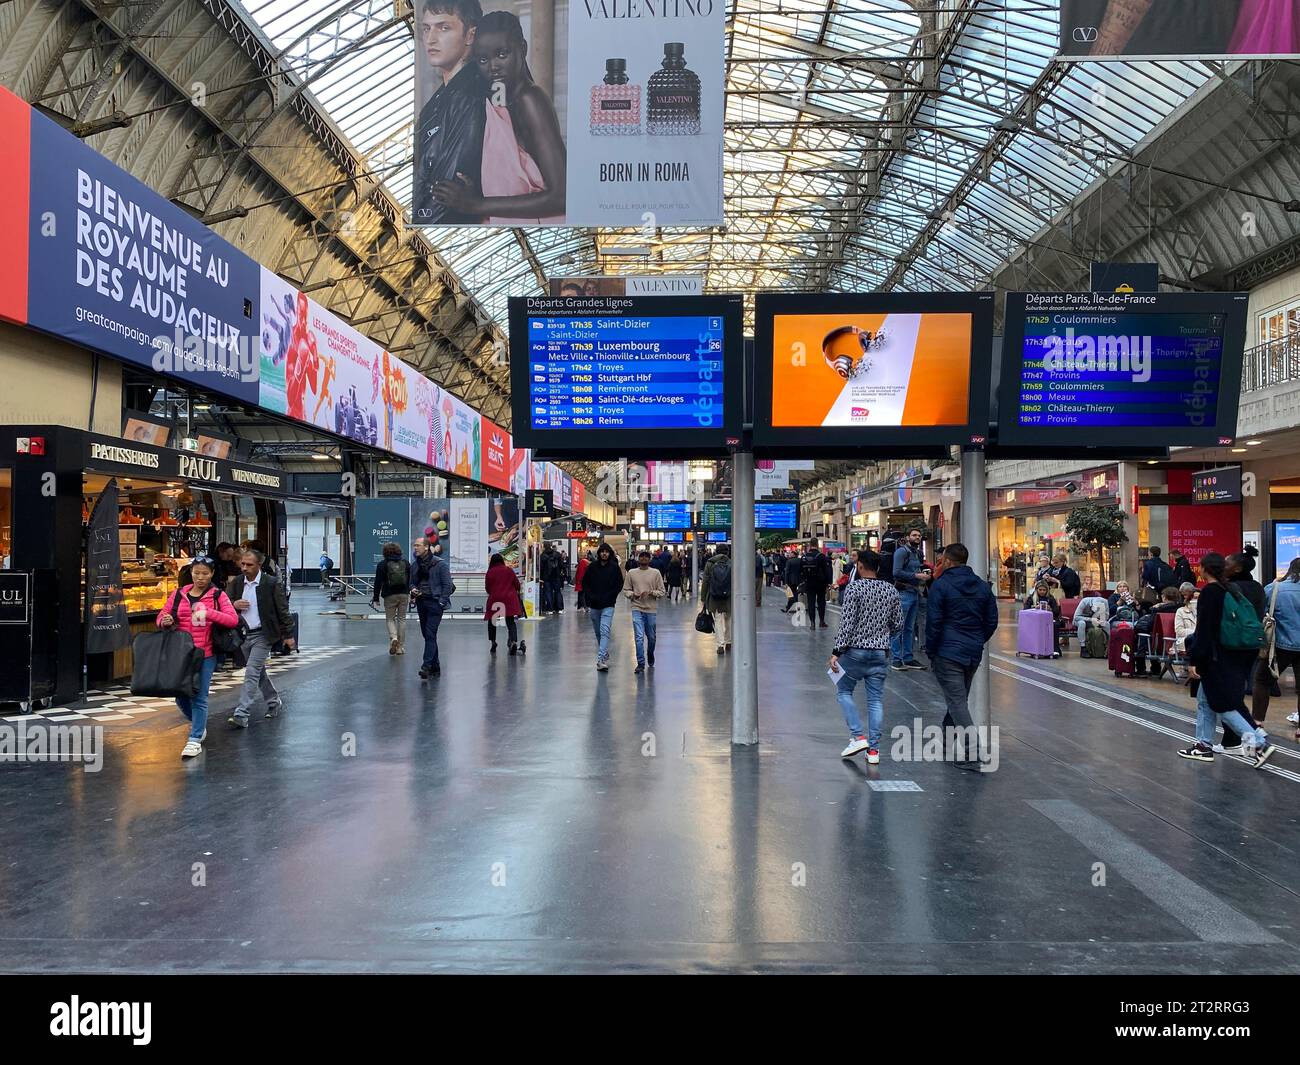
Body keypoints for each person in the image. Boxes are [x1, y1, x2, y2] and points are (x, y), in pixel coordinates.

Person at [431, 8, 566, 224]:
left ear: (522, 48)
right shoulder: (500, 104)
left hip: (545, 225)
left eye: (502, 54)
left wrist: (475, 204)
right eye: (483, 60)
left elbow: (561, 196)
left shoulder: (530, 99)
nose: (493, 67)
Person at [1178, 552, 1275, 767]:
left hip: (1216, 656)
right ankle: (1203, 745)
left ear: (1204, 569)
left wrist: (1195, 660)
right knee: (1206, 699)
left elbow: (1204, 630)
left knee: (1222, 704)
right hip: (1237, 653)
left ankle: (1259, 743)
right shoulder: (1231, 589)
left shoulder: (1211, 592)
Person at [412, 0, 487, 225]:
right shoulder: (442, 97)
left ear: (470, 35)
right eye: (427, 28)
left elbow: (449, 188)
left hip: (444, 216)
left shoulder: (468, 94)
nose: (431, 39)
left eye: (444, 28)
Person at [925, 543, 999, 770]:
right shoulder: (982, 586)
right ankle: (947, 743)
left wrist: (931, 649)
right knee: (958, 699)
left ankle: (972, 751)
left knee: (956, 700)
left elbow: (934, 622)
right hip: (971, 651)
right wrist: (977, 639)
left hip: (947, 651)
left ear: (947, 561)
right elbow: (991, 621)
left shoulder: (941, 585)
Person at [156, 555, 239, 759]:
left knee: (199, 696)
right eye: (196, 573)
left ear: (211, 574)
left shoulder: (218, 595)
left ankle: (194, 739)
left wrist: (209, 612)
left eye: (204, 573)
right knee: (180, 695)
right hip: (181, 653)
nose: (200, 577)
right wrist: (164, 621)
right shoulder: (178, 594)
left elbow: (232, 620)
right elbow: (161, 616)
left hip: (205, 654)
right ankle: (199, 725)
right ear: (191, 573)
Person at [828, 549, 903, 763]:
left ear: (860, 566)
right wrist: (884, 639)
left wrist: (836, 652)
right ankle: (874, 751)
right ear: (877, 567)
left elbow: (847, 622)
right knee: (875, 700)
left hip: (854, 652)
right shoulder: (891, 590)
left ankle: (857, 736)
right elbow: (898, 624)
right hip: (880, 653)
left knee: (843, 691)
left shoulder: (854, 588)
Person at [227, 549, 294, 728]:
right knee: (258, 672)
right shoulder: (237, 583)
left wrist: (288, 635)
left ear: (259, 565)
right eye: (242, 564)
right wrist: (234, 604)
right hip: (242, 634)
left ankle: (241, 713)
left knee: (251, 672)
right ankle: (273, 701)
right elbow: (225, 603)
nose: (244, 568)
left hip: (263, 634)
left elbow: (282, 609)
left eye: (249, 565)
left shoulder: (270, 583)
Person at [1255, 557, 1300, 727]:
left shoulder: (1274, 588)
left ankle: (1258, 722)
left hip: (1279, 645)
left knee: (1262, 681)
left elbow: (1263, 612)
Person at [411, 535, 453, 679]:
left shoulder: (440, 564)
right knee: (428, 635)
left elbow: (447, 585)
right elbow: (411, 582)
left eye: (418, 545)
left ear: (427, 547)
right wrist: (413, 589)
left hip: (435, 603)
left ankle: (426, 666)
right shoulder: (415, 565)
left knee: (429, 634)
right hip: (421, 602)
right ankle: (435, 666)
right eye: (414, 545)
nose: (415, 548)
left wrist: (441, 602)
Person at [890, 527, 929, 668]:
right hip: (903, 593)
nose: (917, 537)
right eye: (914, 535)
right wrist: (915, 576)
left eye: (919, 535)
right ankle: (896, 658)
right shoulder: (901, 552)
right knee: (898, 627)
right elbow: (896, 572)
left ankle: (907, 657)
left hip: (915, 592)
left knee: (910, 628)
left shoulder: (918, 553)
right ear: (908, 537)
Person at [623, 550, 666, 674]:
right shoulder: (631, 573)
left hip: (651, 609)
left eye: (646, 557)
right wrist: (633, 595)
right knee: (639, 637)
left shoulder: (655, 573)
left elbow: (662, 591)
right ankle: (640, 663)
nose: (643, 559)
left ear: (650, 559)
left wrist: (652, 592)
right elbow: (626, 590)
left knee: (651, 637)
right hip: (636, 607)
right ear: (638, 559)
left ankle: (650, 653)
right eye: (641, 556)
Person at [583, 542, 623, 671]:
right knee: (598, 632)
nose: (604, 554)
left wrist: (611, 597)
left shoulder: (614, 568)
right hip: (594, 605)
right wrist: (590, 597)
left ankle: (600, 659)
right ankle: (604, 652)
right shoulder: (592, 567)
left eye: (606, 551)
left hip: (608, 605)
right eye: (602, 551)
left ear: (609, 553)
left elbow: (618, 584)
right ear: (599, 553)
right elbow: (585, 583)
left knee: (605, 630)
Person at [371, 542, 411, 656]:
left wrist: (376, 597)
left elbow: (377, 582)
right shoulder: (406, 563)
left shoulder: (382, 564)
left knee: (390, 619)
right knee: (402, 619)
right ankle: (400, 647)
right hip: (403, 594)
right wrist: (410, 594)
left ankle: (393, 638)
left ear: (385, 552)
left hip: (389, 595)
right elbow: (410, 580)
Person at [1133, 586, 1181, 677]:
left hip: (1159, 643)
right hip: (1175, 641)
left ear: (1164, 597)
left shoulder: (1159, 611)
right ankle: (1155, 669)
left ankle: (1141, 669)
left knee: (1144, 636)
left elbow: (1148, 625)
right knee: (1153, 637)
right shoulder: (1181, 609)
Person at [484, 552, 525, 655]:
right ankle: (513, 641)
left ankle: (493, 642)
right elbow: (517, 585)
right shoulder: (509, 570)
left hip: (495, 600)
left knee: (493, 622)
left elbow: (488, 588)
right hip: (509, 599)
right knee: (510, 621)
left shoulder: (490, 572)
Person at [701, 544, 733, 654]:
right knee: (729, 619)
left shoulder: (710, 563)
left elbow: (705, 581)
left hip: (714, 595)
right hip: (729, 595)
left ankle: (720, 644)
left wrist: (703, 597)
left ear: (716, 552)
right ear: (727, 552)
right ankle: (729, 642)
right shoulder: (731, 563)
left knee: (718, 619)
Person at [1023, 579, 1064, 657]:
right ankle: (1036, 649)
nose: (1042, 592)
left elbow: (1057, 611)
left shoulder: (1050, 598)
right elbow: (1026, 610)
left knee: (1055, 626)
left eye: (1044, 590)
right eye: (1040, 590)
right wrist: (1035, 608)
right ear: (1036, 590)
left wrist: (1050, 609)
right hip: (1035, 621)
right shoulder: (1031, 598)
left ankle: (1055, 649)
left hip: (1049, 620)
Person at [801, 543, 834, 629]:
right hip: (820, 583)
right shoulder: (821, 556)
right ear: (817, 545)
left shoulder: (804, 556)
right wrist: (828, 582)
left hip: (809, 583)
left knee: (811, 602)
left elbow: (801, 570)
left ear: (810, 545)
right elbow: (826, 570)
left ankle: (812, 623)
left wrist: (803, 581)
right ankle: (821, 621)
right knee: (821, 602)